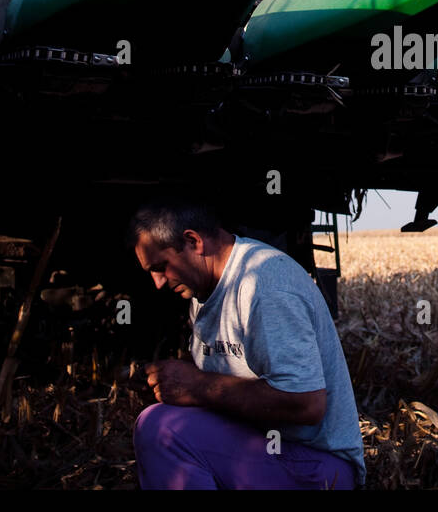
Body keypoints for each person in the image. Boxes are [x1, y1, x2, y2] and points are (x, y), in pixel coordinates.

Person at [128, 197, 365, 489]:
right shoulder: (203, 291)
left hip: (319, 467)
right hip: (270, 450)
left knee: (159, 428)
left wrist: (196, 385)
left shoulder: (264, 285)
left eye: (160, 266)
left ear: (193, 241)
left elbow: (306, 404)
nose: (158, 283)